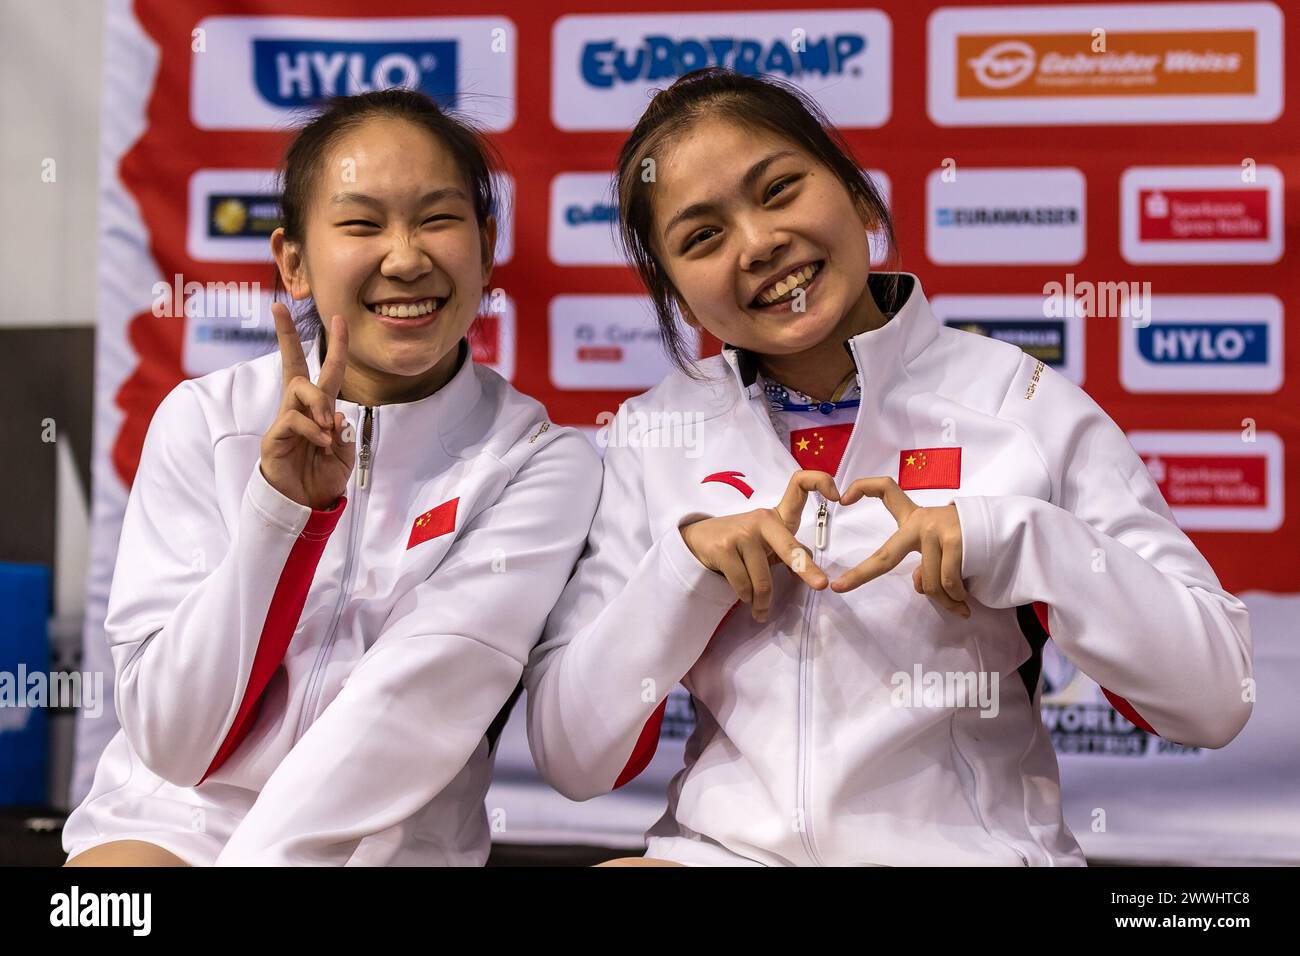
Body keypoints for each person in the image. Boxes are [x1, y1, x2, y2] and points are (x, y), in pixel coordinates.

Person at [523, 68, 1253, 866]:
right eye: (702, 237)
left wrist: (1020, 541)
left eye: (779, 190)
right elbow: (573, 758)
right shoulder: (652, 432)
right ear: (682, 302)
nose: (759, 244)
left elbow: (1213, 700)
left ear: (860, 200)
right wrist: (682, 572)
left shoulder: (1022, 403)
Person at [63, 89, 600, 866]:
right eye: (361, 223)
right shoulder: (205, 419)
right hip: (171, 821)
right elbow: (173, 743)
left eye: (438, 218)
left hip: (391, 844)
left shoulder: (540, 461)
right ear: (294, 261)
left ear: (486, 246)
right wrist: (281, 512)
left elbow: (405, 711)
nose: (406, 256)